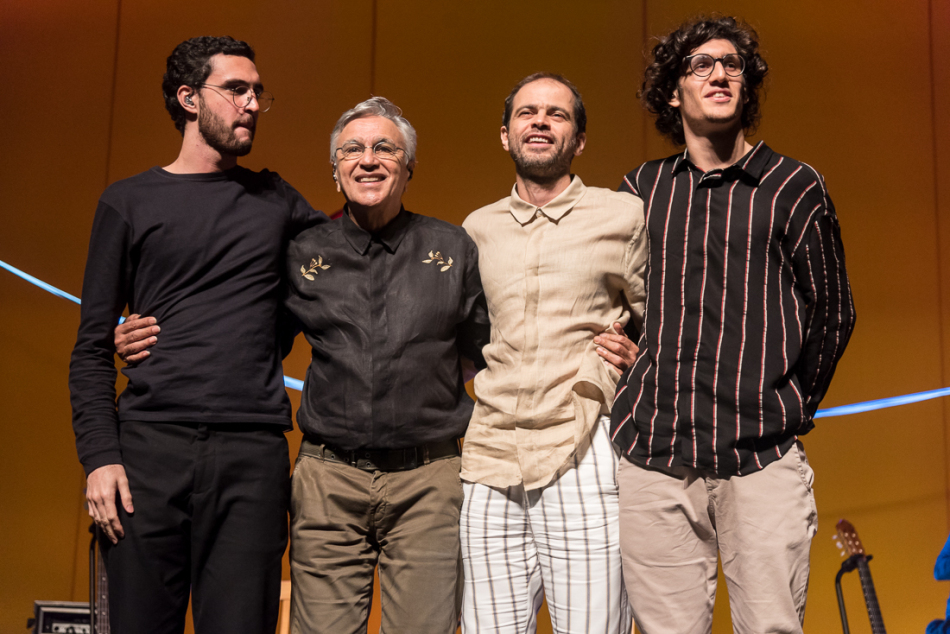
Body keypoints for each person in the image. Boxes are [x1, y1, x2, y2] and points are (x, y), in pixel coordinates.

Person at [70, 36, 324, 634]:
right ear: (189, 98)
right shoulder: (128, 201)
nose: (253, 103)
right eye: (236, 89)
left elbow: (340, 270)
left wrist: (268, 334)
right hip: (147, 456)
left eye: (259, 92)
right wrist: (100, 458)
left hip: (251, 455)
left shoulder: (277, 200)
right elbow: (88, 350)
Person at [610, 16, 856, 633]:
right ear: (674, 93)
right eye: (701, 65)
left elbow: (834, 310)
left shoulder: (793, 186)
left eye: (733, 65)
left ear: (746, 86)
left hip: (761, 457)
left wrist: (792, 403)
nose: (719, 73)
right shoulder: (640, 190)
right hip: (655, 454)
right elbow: (619, 299)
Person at [283, 97, 490, 633]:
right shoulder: (303, 254)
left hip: (429, 480)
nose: (367, 159)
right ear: (335, 171)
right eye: (352, 149)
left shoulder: (453, 248)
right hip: (327, 480)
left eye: (384, 148)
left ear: (409, 167)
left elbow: (484, 355)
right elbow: (251, 341)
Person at [459, 73, 645, 634]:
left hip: (582, 447)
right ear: (505, 134)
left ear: (579, 140)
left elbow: (663, 316)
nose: (540, 122)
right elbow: (466, 334)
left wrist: (640, 356)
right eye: (527, 113)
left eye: (556, 114)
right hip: (489, 455)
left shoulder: (624, 216)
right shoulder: (476, 229)